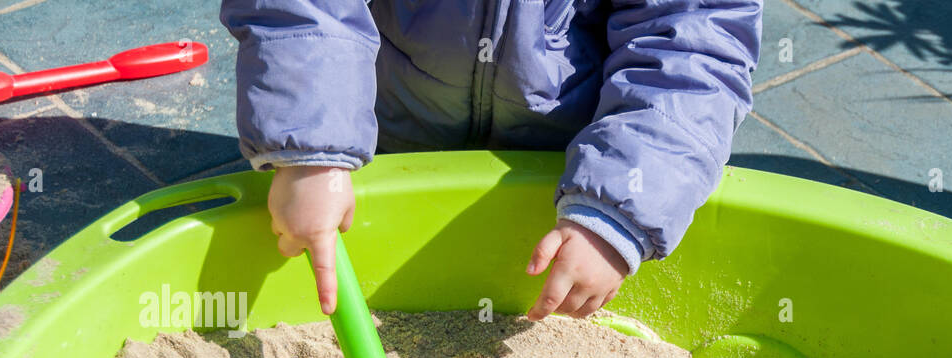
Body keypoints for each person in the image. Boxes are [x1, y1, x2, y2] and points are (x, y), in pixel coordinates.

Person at [221, 0, 762, 318]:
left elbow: (691, 47)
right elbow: (306, 11)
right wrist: (312, 150)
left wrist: (621, 205)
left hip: (569, 166)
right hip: (385, 134)